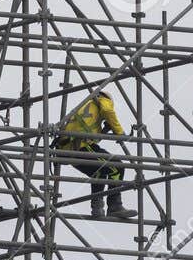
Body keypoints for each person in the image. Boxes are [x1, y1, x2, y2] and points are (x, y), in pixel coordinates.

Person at [54, 87, 137, 221]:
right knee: (117, 167)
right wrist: (120, 133)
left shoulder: (87, 107)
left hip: (68, 149)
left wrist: (104, 130)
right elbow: (108, 111)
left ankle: (97, 207)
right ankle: (114, 206)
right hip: (79, 146)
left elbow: (91, 136)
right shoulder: (102, 99)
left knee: (99, 171)